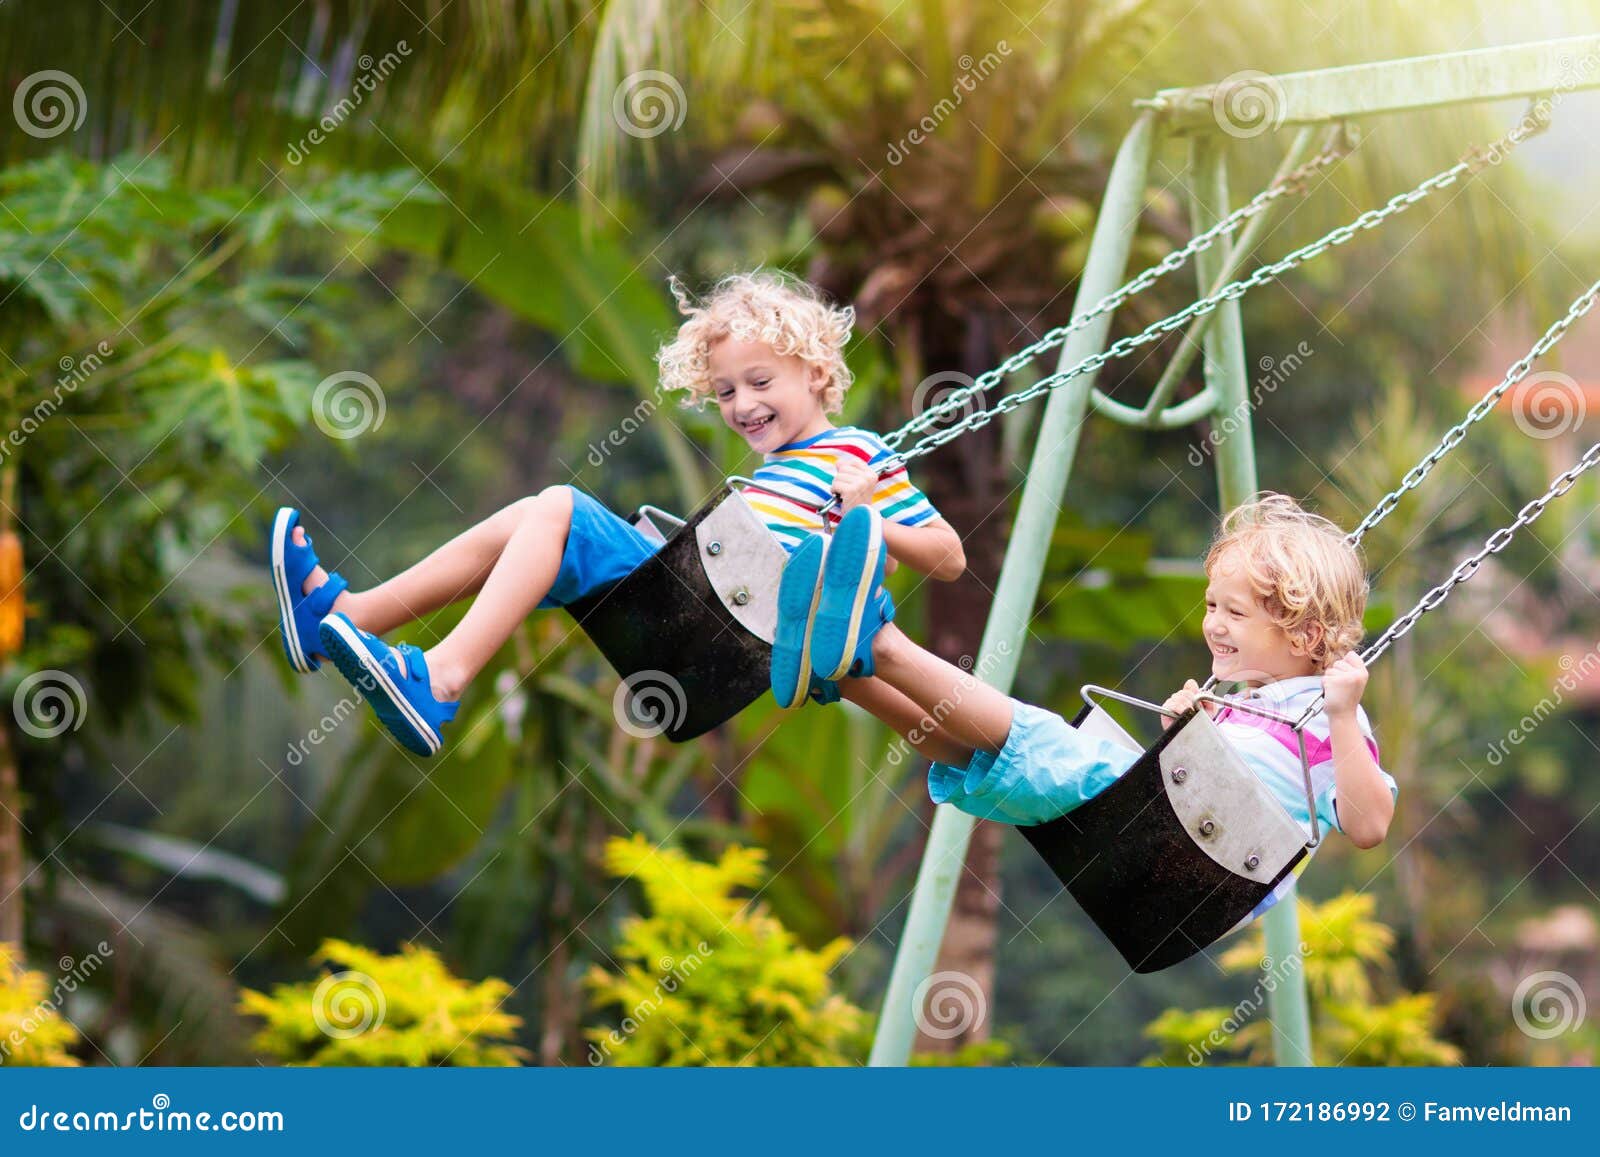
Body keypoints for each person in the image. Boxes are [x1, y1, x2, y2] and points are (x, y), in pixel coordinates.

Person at [268, 270, 966, 755]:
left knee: (560, 508)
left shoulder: (858, 452)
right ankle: (346, 618)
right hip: (701, 619)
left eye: (760, 381)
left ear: (815, 372)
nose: (742, 405)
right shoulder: (773, 475)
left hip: (719, 634)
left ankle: (441, 678)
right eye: (723, 391)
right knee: (532, 518)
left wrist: (873, 516)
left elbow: (950, 557)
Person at [785, 494, 1397, 921]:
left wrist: (1344, 715)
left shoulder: (1324, 711)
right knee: (987, 754)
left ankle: (880, 642)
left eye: (1235, 613)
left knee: (1048, 738)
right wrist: (1183, 734)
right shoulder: (1241, 704)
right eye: (1212, 606)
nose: (1214, 625)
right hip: (1179, 842)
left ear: (1304, 638)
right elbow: (1222, 777)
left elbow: (1368, 825)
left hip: (1216, 870)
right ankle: (846, 672)